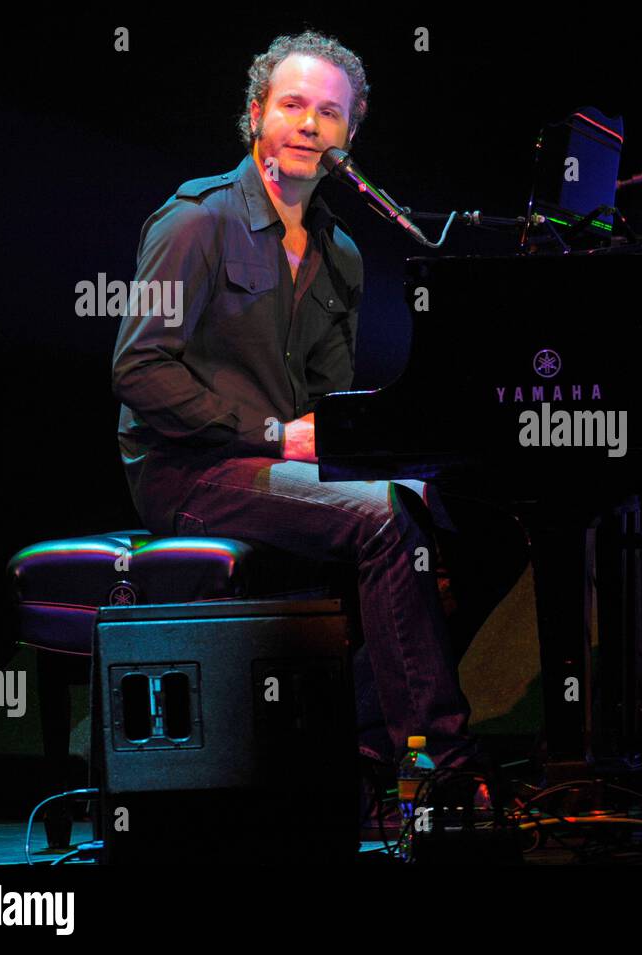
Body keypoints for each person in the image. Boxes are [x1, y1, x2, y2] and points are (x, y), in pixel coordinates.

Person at [111, 30, 529, 772]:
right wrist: (274, 436)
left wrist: (410, 463)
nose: (309, 124)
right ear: (255, 116)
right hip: (191, 470)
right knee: (383, 520)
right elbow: (140, 370)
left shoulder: (342, 253)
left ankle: (361, 736)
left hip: (283, 474)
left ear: (351, 133)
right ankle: (443, 764)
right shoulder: (197, 221)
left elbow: (332, 404)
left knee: (486, 526)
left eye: (329, 113)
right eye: (293, 105)